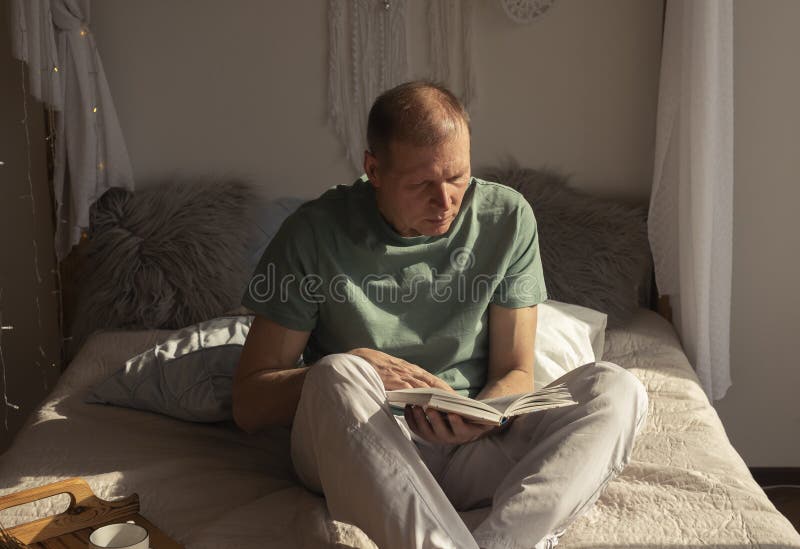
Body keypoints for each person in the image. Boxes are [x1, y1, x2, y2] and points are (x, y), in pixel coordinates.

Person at [232, 81, 648, 549]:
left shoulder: (507, 219)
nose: (446, 200)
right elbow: (249, 403)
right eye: (422, 184)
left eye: (457, 177)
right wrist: (359, 367)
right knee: (336, 373)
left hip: (473, 448)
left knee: (618, 388)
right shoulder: (313, 234)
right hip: (361, 445)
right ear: (373, 169)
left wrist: (487, 415)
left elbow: (515, 371)